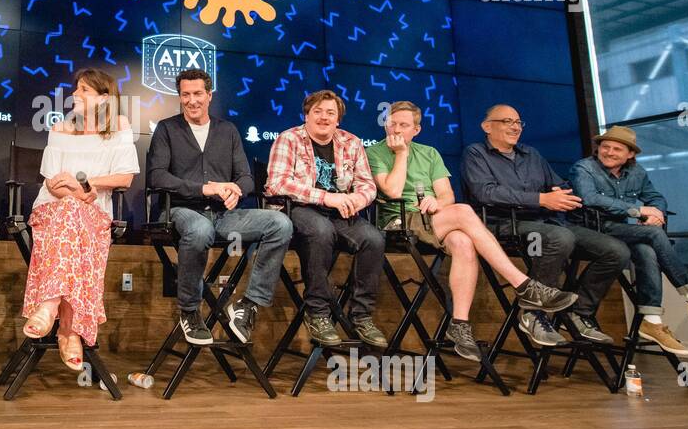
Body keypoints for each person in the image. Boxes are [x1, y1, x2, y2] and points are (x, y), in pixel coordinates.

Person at [366, 101, 577, 360]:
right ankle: (523, 284)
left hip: (434, 219)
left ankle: (460, 325)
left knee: (464, 242)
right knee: (465, 212)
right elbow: (393, 191)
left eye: (404, 125)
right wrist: (400, 153)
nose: (396, 129)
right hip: (397, 222)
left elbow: (447, 196)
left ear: (417, 130)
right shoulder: (374, 152)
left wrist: (437, 202)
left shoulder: (429, 153)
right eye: (392, 123)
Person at [461, 104, 630, 347]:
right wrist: (541, 199)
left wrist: (564, 195)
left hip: (546, 222)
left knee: (617, 251)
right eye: (507, 121)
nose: (515, 127)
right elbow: (485, 193)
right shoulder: (475, 153)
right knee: (559, 238)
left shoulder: (532, 154)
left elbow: (556, 185)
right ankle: (533, 311)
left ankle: (579, 312)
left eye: (518, 122)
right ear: (487, 126)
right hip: (506, 226)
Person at [146, 68, 292, 345]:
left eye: (197, 93)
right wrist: (204, 188)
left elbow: (247, 177)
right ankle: (189, 311)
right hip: (179, 210)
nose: (192, 100)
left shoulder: (227, 130)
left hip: (224, 214)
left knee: (280, 223)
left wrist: (238, 190)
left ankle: (248, 304)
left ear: (209, 95)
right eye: (185, 95)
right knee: (200, 229)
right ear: (180, 97)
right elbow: (157, 176)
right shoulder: (167, 128)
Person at [570, 125, 688, 355]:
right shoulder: (584, 167)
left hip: (619, 229)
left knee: (647, 249)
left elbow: (655, 197)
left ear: (630, 155)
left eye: (616, 149)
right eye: (605, 147)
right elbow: (589, 198)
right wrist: (638, 212)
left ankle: (652, 320)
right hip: (590, 229)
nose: (608, 152)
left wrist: (656, 212)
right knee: (654, 235)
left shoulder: (637, 173)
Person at [21, 69, 139, 370]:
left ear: (104, 97)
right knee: (70, 210)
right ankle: (70, 332)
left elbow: (124, 177)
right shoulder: (60, 128)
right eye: (76, 88)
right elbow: (51, 183)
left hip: (94, 218)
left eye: (84, 90)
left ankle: (48, 308)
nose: (75, 94)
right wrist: (75, 192)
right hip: (51, 212)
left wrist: (86, 185)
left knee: (75, 214)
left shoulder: (120, 127)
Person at [264, 89, 386, 348]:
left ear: (338, 119)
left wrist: (357, 199)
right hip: (299, 209)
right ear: (306, 115)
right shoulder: (289, 139)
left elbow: (367, 184)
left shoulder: (351, 142)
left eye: (330, 112)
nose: (324, 117)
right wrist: (325, 197)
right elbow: (276, 183)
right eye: (317, 111)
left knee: (373, 239)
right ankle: (318, 312)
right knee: (320, 230)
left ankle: (361, 315)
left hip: (341, 212)